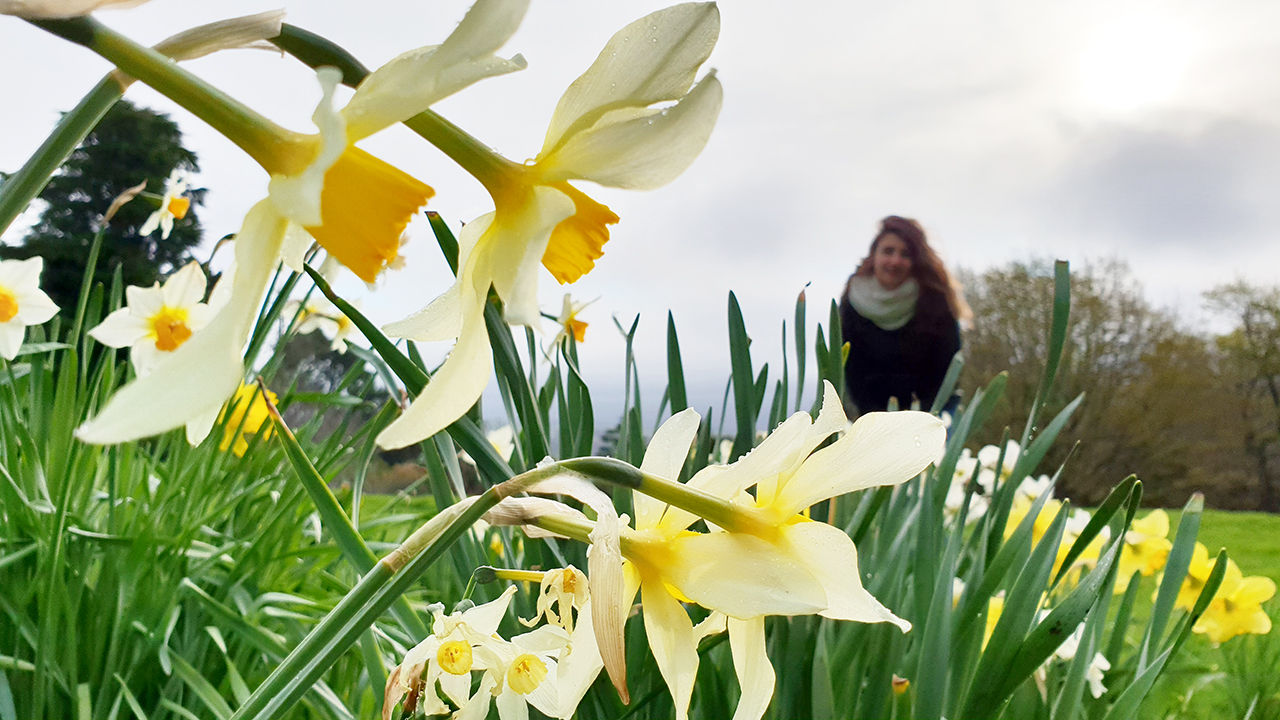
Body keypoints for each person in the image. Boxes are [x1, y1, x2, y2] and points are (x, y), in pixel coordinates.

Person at [839, 215, 969, 416]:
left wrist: (918, 419)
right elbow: (849, 370)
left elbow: (947, 369)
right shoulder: (853, 299)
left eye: (905, 254)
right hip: (871, 415)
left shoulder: (935, 300)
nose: (895, 261)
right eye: (888, 251)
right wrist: (873, 420)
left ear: (915, 261)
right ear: (874, 256)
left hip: (932, 411)